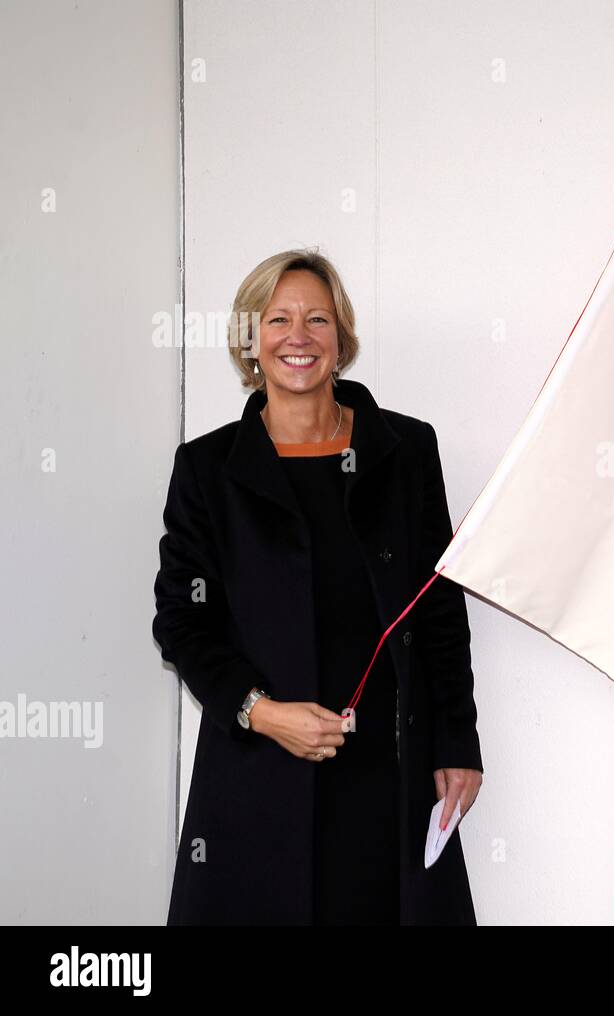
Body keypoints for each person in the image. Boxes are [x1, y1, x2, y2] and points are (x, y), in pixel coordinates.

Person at [152, 248, 484, 925]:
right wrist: (262, 712)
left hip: (384, 775)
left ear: (342, 338)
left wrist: (456, 743)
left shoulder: (406, 452)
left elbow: (438, 606)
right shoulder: (206, 469)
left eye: (317, 320)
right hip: (257, 770)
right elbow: (182, 622)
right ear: (251, 341)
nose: (297, 337)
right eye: (277, 320)